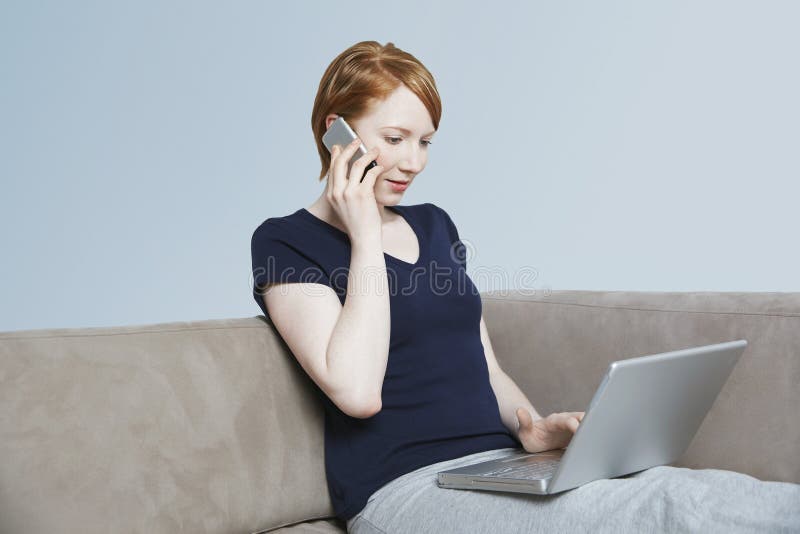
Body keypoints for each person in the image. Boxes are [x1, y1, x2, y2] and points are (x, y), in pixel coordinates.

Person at [251, 41, 800, 534]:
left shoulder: (435, 225)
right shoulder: (285, 242)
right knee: (667, 510)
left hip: (499, 467)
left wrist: (530, 429)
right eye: (395, 138)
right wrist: (365, 236)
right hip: (403, 490)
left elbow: (483, 364)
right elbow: (357, 393)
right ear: (335, 131)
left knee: (676, 489)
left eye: (425, 142)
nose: (413, 162)